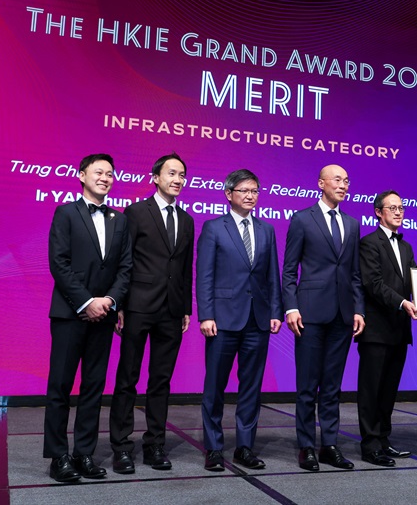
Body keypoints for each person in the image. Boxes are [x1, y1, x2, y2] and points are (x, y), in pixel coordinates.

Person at [43, 154, 132, 482]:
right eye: (99, 172)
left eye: (110, 173)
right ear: (81, 175)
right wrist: (86, 302)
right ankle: (58, 457)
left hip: (104, 316)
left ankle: (84, 454)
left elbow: (125, 267)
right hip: (70, 314)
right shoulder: (66, 212)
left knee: (94, 388)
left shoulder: (120, 219)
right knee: (60, 387)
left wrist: (109, 301)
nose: (105, 178)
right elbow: (59, 263)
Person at [109, 153, 194, 473]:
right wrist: (120, 305)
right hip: (138, 306)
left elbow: (185, 268)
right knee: (127, 378)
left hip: (171, 310)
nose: (177, 179)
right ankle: (121, 446)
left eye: (182, 174)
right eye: (171, 173)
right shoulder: (135, 212)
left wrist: (185, 308)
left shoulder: (187, 219)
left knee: (161, 380)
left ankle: (155, 444)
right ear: (155, 178)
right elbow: (123, 260)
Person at [196, 169, 283, 471]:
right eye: (244, 190)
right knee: (215, 386)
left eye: (254, 191)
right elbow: (204, 276)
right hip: (222, 321)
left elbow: (272, 275)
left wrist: (275, 311)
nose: (250, 196)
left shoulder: (266, 230)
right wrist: (206, 315)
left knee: (251, 387)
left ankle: (244, 447)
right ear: (228, 194)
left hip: (257, 320)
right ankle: (213, 448)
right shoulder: (213, 227)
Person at [281, 164, 365, 472]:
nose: (343, 185)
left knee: (332, 385)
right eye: (337, 180)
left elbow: (354, 273)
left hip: (342, 314)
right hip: (310, 313)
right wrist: (291, 307)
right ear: (321, 183)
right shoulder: (302, 219)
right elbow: (289, 270)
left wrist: (359, 309)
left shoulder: (352, 224)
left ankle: (329, 444)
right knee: (307, 385)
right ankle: (306, 446)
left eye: (347, 180)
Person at [356, 190, 417, 467]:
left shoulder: (406, 247)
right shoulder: (369, 243)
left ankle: (384, 440)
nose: (398, 212)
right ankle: (370, 445)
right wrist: (403, 302)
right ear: (378, 212)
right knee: (371, 390)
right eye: (392, 208)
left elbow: (410, 281)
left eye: (401, 208)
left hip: (399, 329)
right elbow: (373, 284)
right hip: (376, 329)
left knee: (389, 390)